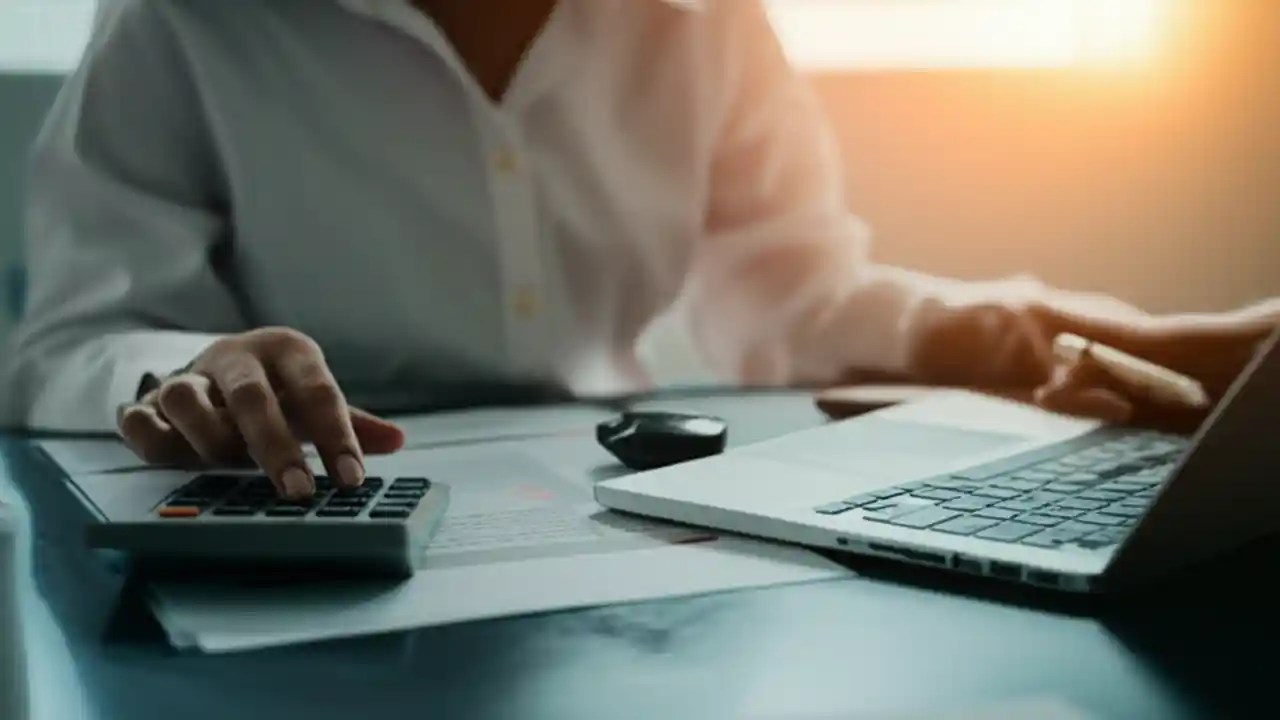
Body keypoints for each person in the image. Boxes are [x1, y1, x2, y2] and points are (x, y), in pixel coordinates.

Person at [3, 0, 1275, 500]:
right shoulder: (185, 20)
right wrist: (187, 369)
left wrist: (1059, 337)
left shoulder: (706, 18)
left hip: (610, 505)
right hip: (306, 513)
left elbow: (784, 297)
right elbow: (70, 343)